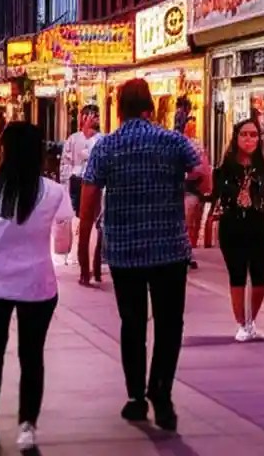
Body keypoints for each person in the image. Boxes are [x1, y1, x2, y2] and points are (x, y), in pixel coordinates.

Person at [79, 79, 213, 432]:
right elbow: (204, 181)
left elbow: (89, 201)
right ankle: (162, 392)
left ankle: (136, 397)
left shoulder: (106, 146)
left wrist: (83, 253)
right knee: (170, 324)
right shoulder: (172, 141)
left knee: (132, 323)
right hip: (169, 248)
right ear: (150, 108)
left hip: (124, 251)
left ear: (119, 109)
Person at [0, 122, 73, 448]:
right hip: (39, 285)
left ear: (5, 149)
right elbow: (63, 227)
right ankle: (27, 426)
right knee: (33, 356)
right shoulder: (54, 191)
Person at [213, 119, 264, 342]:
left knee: (261, 277)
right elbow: (215, 195)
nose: (249, 139)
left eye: (254, 135)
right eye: (245, 134)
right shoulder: (224, 169)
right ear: (236, 137)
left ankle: (252, 319)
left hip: (258, 225)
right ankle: (241, 322)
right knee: (237, 275)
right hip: (232, 225)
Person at [59, 104, 103, 274]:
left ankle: (94, 261)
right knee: (78, 219)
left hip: (96, 183)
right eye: (91, 116)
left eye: (96, 116)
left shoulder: (102, 139)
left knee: (95, 221)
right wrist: (66, 181)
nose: (94, 119)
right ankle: (77, 254)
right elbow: (65, 162)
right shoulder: (73, 139)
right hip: (77, 182)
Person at [177, 112, 209, 270]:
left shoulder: (196, 145)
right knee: (185, 222)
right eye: (190, 125)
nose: (193, 128)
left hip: (192, 188)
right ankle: (185, 252)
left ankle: (187, 252)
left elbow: (201, 168)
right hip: (184, 189)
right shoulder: (180, 143)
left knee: (190, 223)